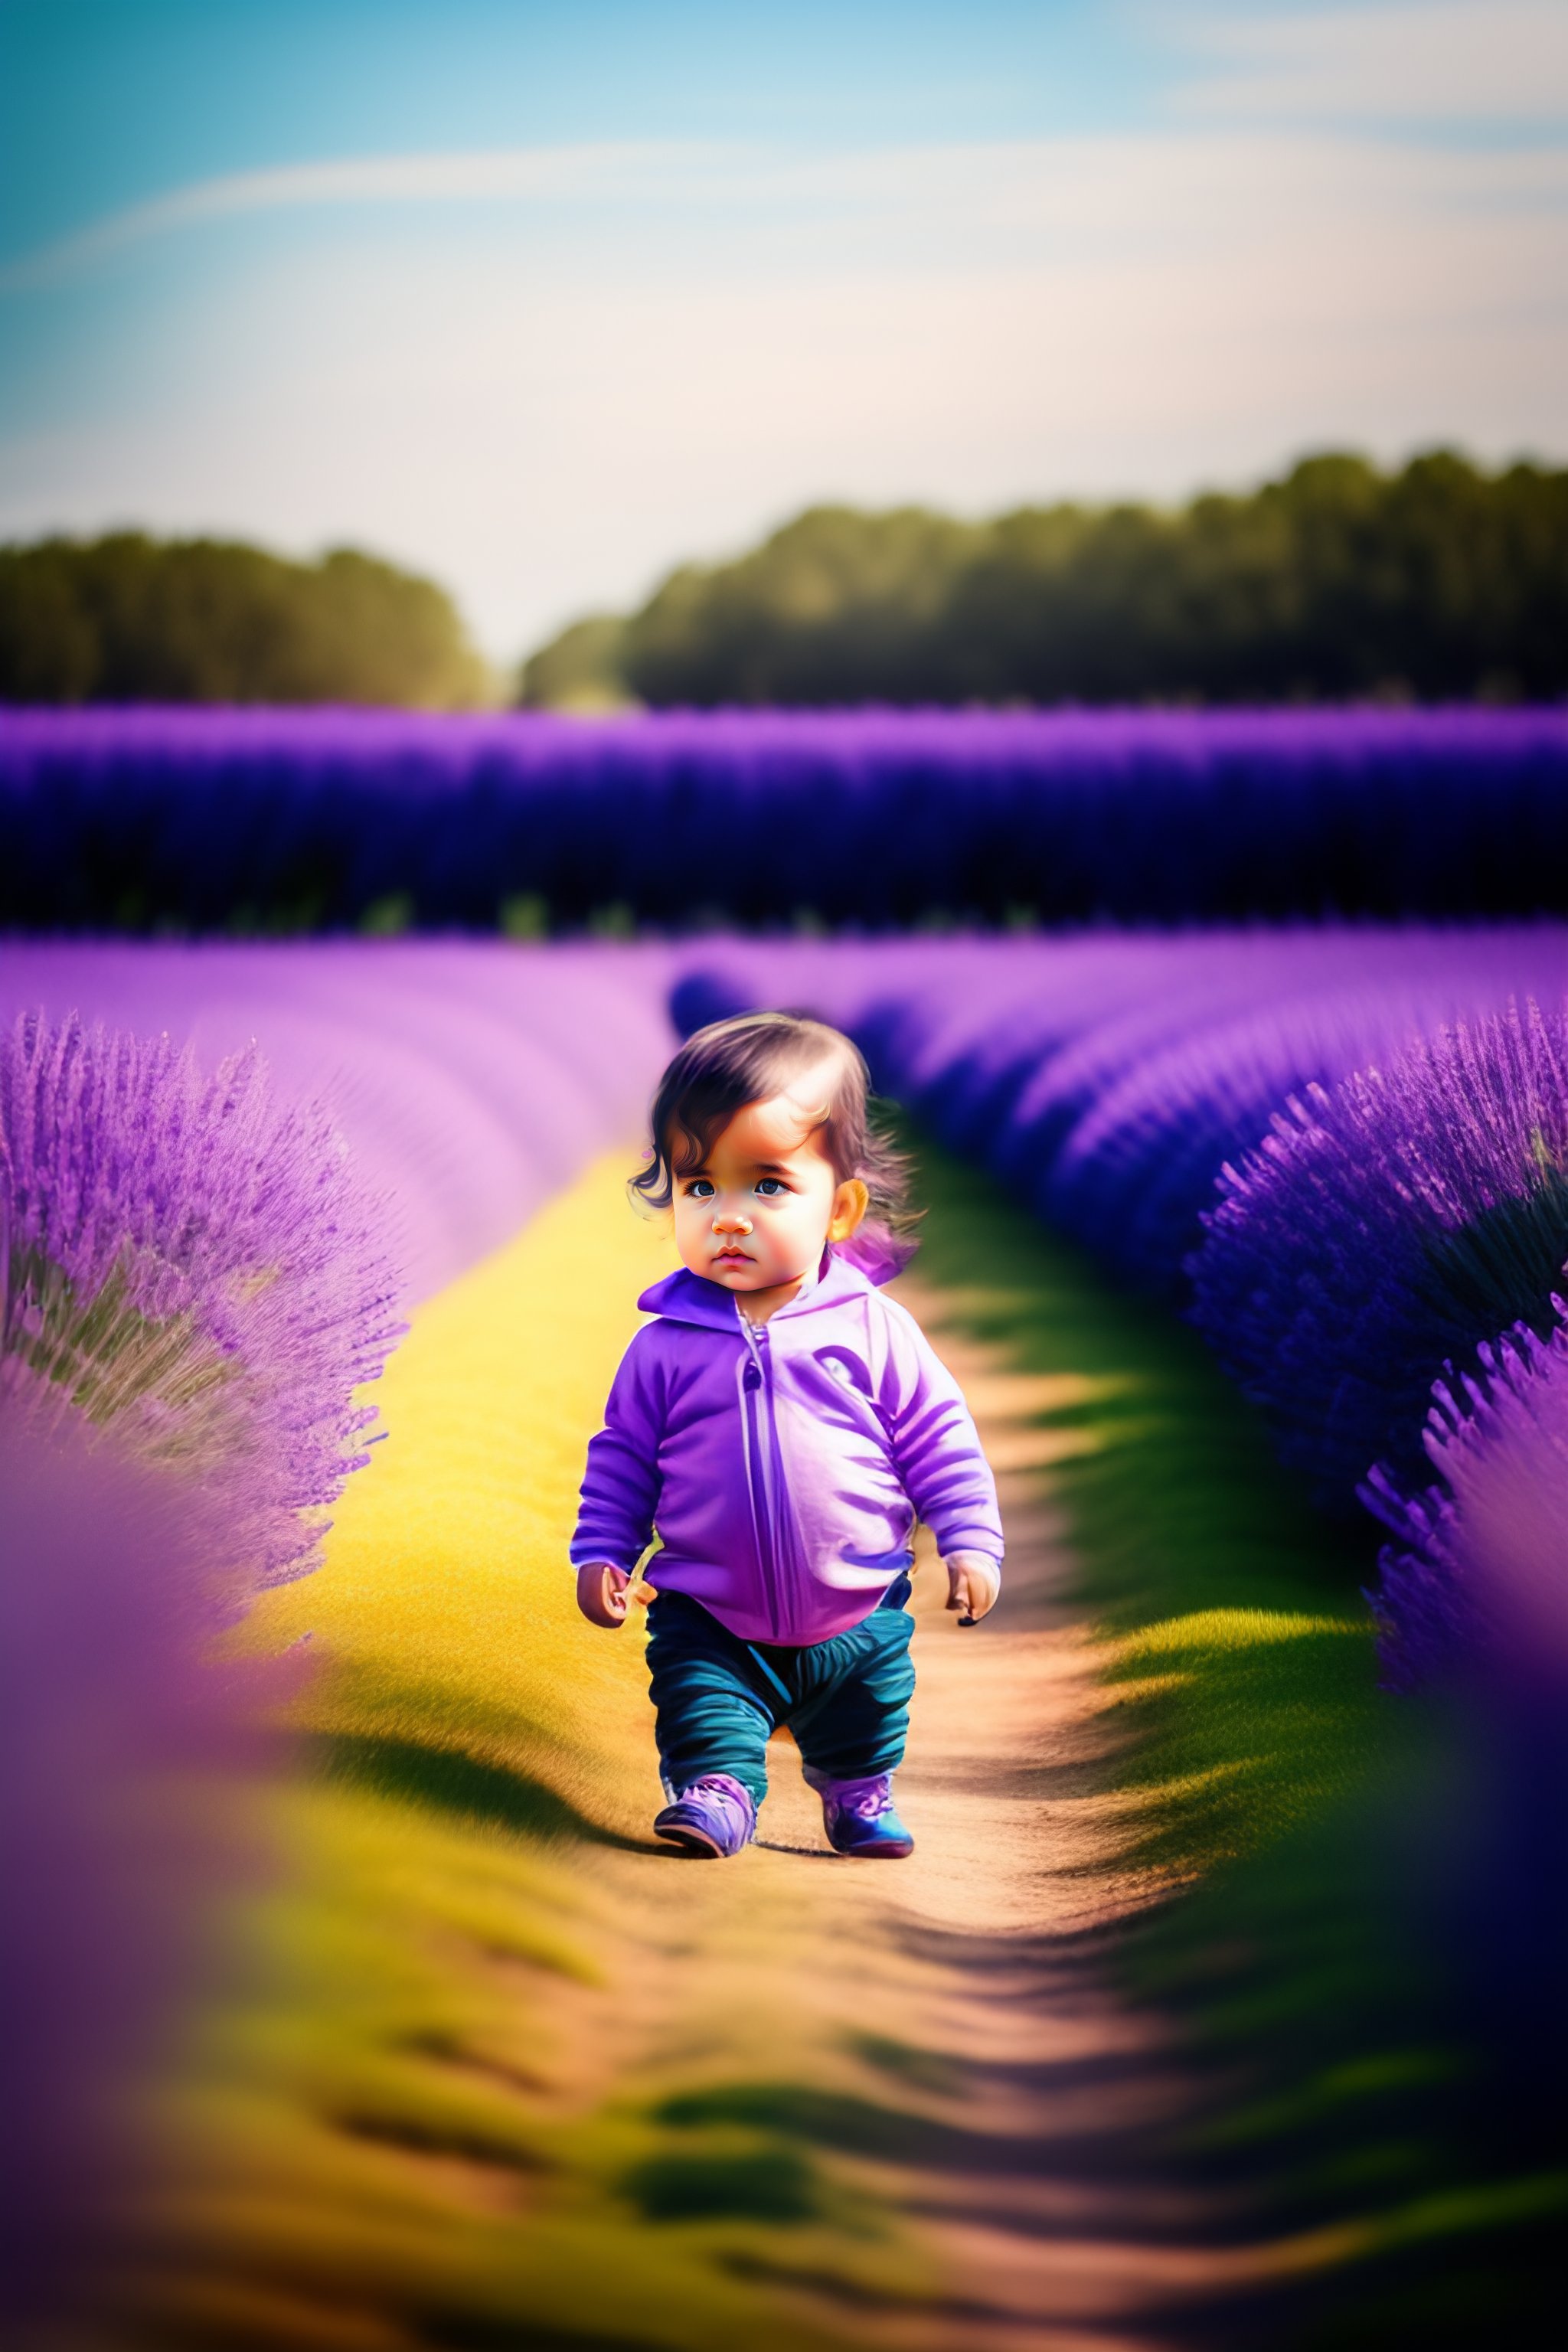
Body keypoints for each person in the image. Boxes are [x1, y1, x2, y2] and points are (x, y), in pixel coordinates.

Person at [570, 1010, 1004, 1860]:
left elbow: (939, 1441)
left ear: (838, 1209)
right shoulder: (662, 1346)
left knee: (868, 1714)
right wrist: (601, 1554)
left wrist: (971, 1543)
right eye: (700, 1187)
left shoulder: (875, 1331)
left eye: (765, 1185)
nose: (727, 1217)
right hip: (710, 1610)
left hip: (856, 1604)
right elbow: (622, 1459)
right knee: (702, 1706)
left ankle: (856, 1792)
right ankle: (716, 1791)